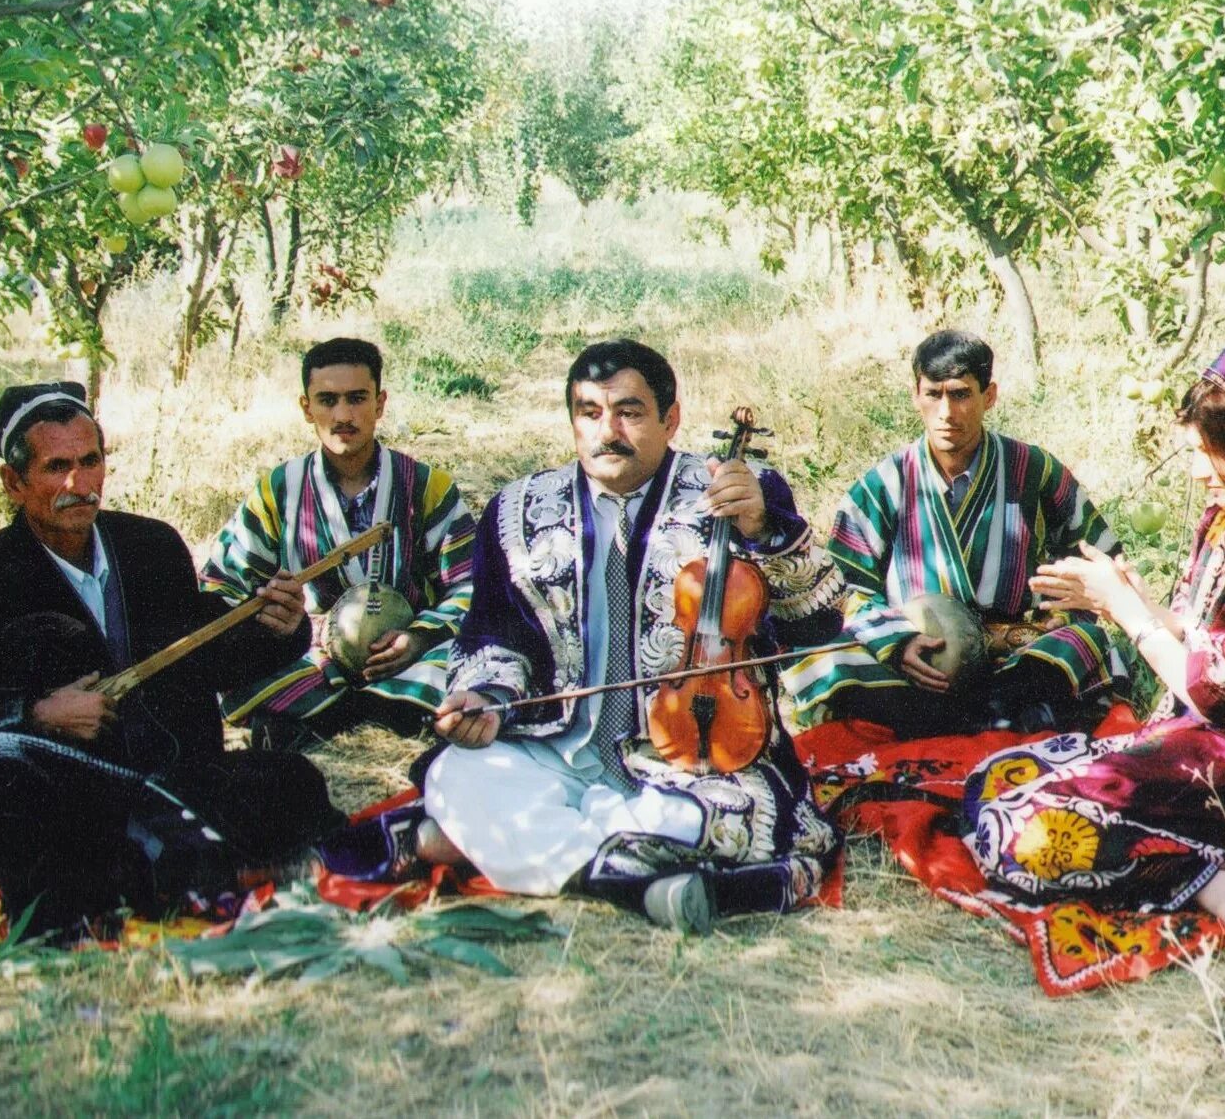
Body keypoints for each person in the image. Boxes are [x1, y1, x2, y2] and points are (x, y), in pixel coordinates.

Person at [341, 339, 847, 932]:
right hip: (553, 748)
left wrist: (762, 531)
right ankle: (629, 877)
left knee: (714, 816)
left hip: (695, 760)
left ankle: (488, 843)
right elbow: (494, 634)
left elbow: (819, 620)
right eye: (589, 412)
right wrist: (486, 697)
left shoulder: (740, 492)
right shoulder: (515, 510)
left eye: (629, 412)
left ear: (671, 419)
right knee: (457, 774)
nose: (608, 432)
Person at [0, 382, 346, 939]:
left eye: (90, 461)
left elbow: (206, 656)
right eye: (57, 467)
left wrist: (277, 628)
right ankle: (176, 868)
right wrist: (33, 715)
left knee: (290, 781)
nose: (79, 484)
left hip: (168, 785)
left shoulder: (151, 549)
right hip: (67, 804)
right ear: (13, 483)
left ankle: (153, 869)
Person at [964, 346, 1225, 931]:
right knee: (995, 779)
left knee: (1022, 837)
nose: (1198, 472)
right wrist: (1114, 597)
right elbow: (1197, 628)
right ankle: (1186, 860)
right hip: (1197, 738)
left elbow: (1212, 693)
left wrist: (1126, 609)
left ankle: (1199, 878)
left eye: (1208, 453)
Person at [783, 329, 1128, 734]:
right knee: (822, 661)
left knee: (1085, 641)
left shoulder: (1034, 471)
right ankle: (996, 718)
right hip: (918, 662)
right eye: (933, 394)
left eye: (961, 394)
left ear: (989, 396)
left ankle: (965, 714)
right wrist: (898, 644)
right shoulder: (883, 484)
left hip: (1013, 656)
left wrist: (1063, 614)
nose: (946, 412)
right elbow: (846, 586)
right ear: (915, 396)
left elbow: (1097, 558)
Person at [200, 338, 475, 748]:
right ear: (306, 407)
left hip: (407, 657)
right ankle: (381, 711)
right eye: (327, 400)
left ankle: (327, 716)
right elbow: (221, 585)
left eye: (357, 398)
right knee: (240, 682)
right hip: (313, 660)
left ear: (379, 404)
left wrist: (418, 638)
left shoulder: (427, 486)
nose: (343, 415)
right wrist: (272, 614)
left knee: (467, 663)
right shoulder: (278, 491)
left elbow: (470, 583)